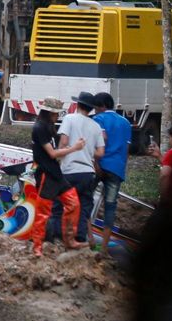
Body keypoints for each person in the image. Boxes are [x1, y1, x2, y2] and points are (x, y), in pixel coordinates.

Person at [29, 99, 85, 257]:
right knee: (43, 212)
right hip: (47, 174)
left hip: (56, 173)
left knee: (73, 203)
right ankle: (37, 247)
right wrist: (74, 148)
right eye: (56, 113)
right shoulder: (40, 128)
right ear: (50, 112)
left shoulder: (49, 127)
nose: (58, 115)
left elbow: (55, 152)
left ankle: (69, 240)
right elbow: (52, 153)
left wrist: (69, 148)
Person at [53, 92, 105, 245]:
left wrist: (57, 158)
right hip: (88, 173)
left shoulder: (69, 118)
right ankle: (80, 237)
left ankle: (57, 235)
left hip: (69, 170)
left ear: (77, 105)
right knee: (84, 205)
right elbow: (101, 152)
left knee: (60, 203)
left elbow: (63, 141)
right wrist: (86, 151)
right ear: (91, 109)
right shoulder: (96, 126)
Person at [91, 92, 132, 250]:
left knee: (85, 199)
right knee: (110, 207)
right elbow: (127, 149)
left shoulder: (98, 119)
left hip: (99, 166)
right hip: (116, 169)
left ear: (102, 106)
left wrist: (96, 164)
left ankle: (88, 237)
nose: (94, 110)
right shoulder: (125, 123)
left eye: (95, 107)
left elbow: (98, 142)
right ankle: (105, 248)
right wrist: (121, 167)